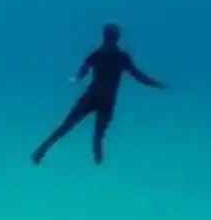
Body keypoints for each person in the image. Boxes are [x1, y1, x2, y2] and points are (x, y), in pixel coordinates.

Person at [32, 22, 166, 165]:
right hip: (101, 99)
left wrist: (155, 84)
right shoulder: (113, 56)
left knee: (87, 132)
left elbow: (85, 69)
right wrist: (156, 84)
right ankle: (96, 163)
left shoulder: (106, 55)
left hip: (96, 98)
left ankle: (96, 164)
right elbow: (137, 75)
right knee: (92, 133)